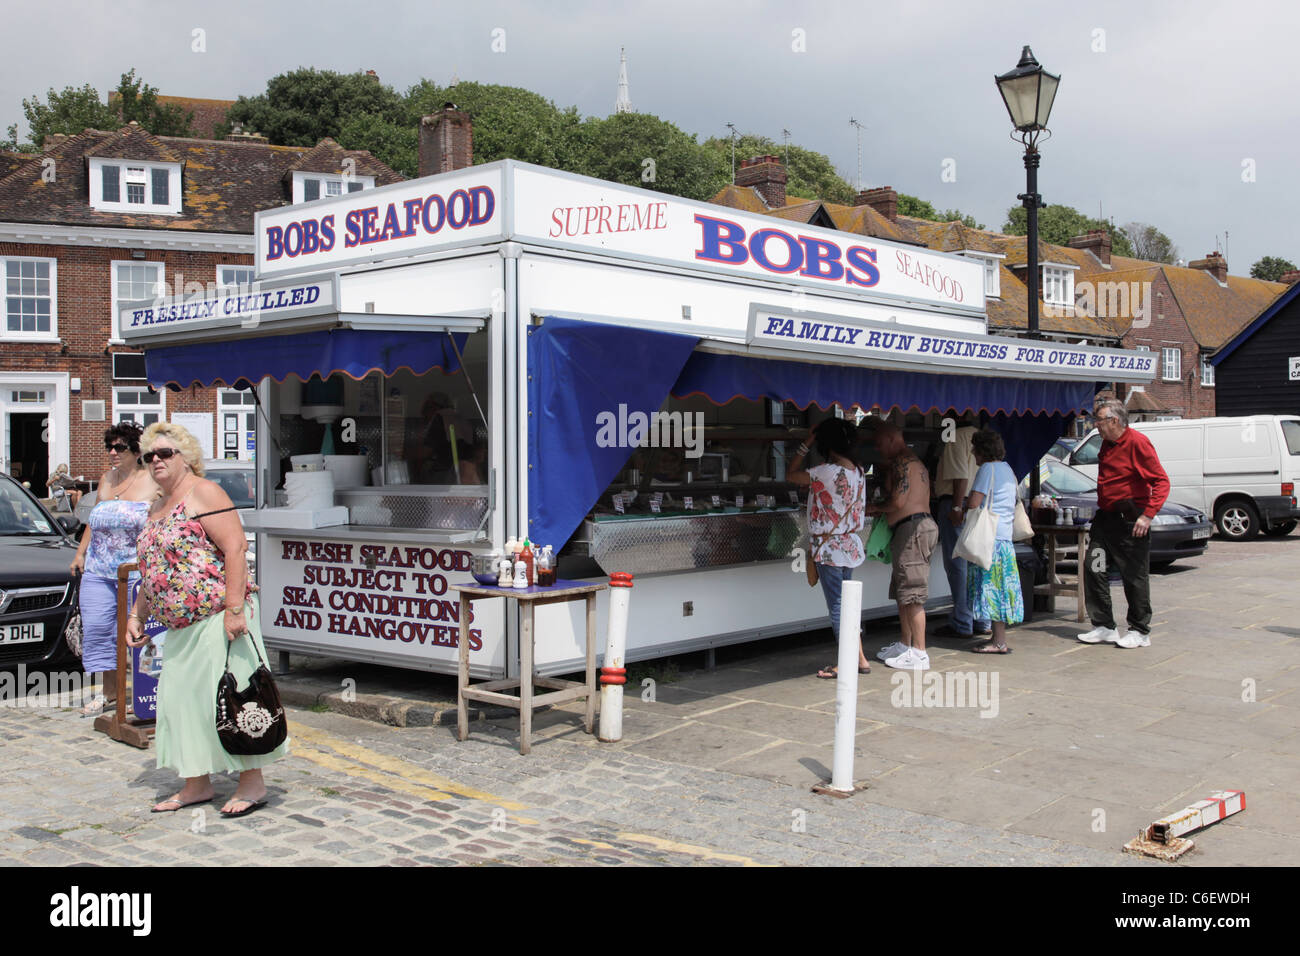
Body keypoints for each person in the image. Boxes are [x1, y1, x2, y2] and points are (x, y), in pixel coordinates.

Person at [125, 422, 288, 817]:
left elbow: (235, 548)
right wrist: (137, 613)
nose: (157, 461)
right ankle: (196, 782)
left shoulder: (205, 492)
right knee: (181, 703)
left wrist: (234, 609)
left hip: (218, 617)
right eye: (150, 456)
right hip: (180, 626)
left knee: (234, 697)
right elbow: (153, 569)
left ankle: (252, 783)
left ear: (186, 457)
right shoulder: (158, 506)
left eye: (165, 453)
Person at [69, 423, 160, 716]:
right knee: (98, 631)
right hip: (98, 569)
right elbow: (94, 522)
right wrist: (80, 554)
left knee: (134, 633)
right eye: (109, 447)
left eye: (119, 447)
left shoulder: (153, 480)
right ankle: (109, 692)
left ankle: (143, 692)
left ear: (136, 450)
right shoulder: (106, 479)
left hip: (134, 571)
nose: (112, 453)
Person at [1079, 399, 1170, 648]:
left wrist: (1148, 515)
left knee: (1134, 575)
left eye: (1099, 420)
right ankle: (1104, 625)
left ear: (1114, 421)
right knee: (1094, 567)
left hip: (1130, 521)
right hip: (1105, 520)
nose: (1095, 425)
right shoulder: (1106, 445)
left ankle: (1140, 630)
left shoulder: (1137, 443)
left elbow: (1162, 481)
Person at [788, 417, 871, 678]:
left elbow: (791, 474)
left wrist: (806, 442)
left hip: (829, 548)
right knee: (848, 604)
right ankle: (860, 658)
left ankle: (846, 663)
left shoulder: (825, 472)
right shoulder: (858, 470)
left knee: (837, 606)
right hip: (850, 545)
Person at [868, 421, 939, 671]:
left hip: (913, 529)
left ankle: (919, 652)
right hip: (912, 528)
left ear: (890, 439)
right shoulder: (912, 461)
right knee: (903, 591)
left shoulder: (902, 462)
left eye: (878, 444)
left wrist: (876, 507)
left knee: (912, 593)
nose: (878, 450)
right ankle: (905, 644)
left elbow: (898, 501)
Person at [960, 428, 1024, 653]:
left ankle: (998, 642)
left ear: (982, 450)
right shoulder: (1007, 468)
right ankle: (998, 638)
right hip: (1004, 539)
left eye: (974, 448)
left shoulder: (987, 469)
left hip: (990, 539)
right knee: (1001, 589)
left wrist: (962, 504)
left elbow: (975, 502)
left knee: (991, 589)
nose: (972, 452)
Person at [933, 413, 991, 639]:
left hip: (959, 502)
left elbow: (960, 476)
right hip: (979, 502)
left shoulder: (956, 436)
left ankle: (962, 621)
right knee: (977, 562)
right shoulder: (980, 436)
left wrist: (956, 508)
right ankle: (981, 619)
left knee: (958, 565)